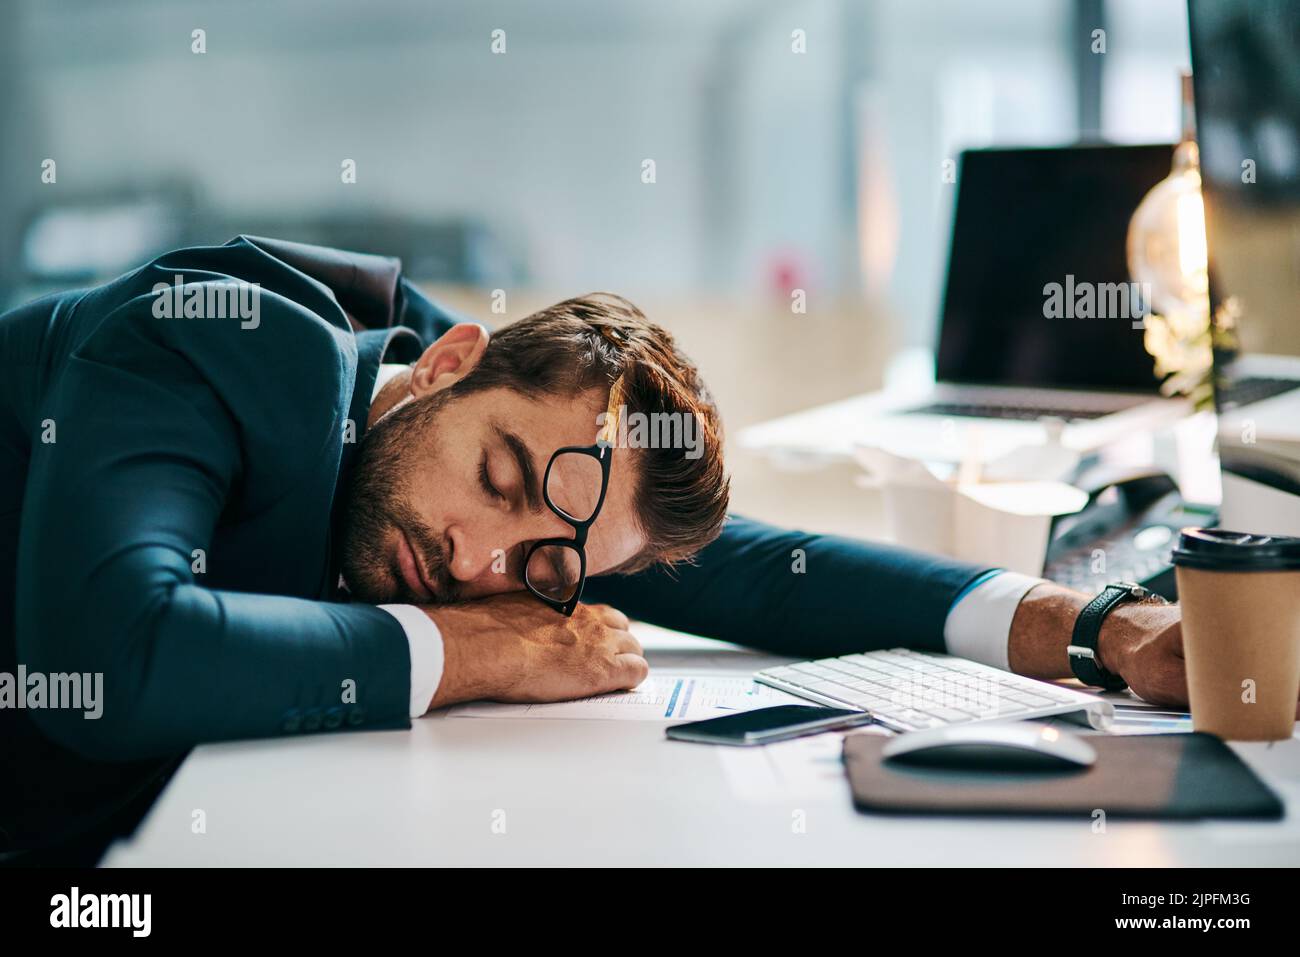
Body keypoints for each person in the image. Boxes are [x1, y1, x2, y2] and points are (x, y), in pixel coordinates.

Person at [1, 235, 1189, 854]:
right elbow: (111, 661)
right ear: (451, 361)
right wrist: (476, 654)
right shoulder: (220, 341)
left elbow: (747, 569)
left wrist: (1083, 625)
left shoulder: (450, 403)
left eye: (541, 570)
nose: (478, 566)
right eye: (500, 480)